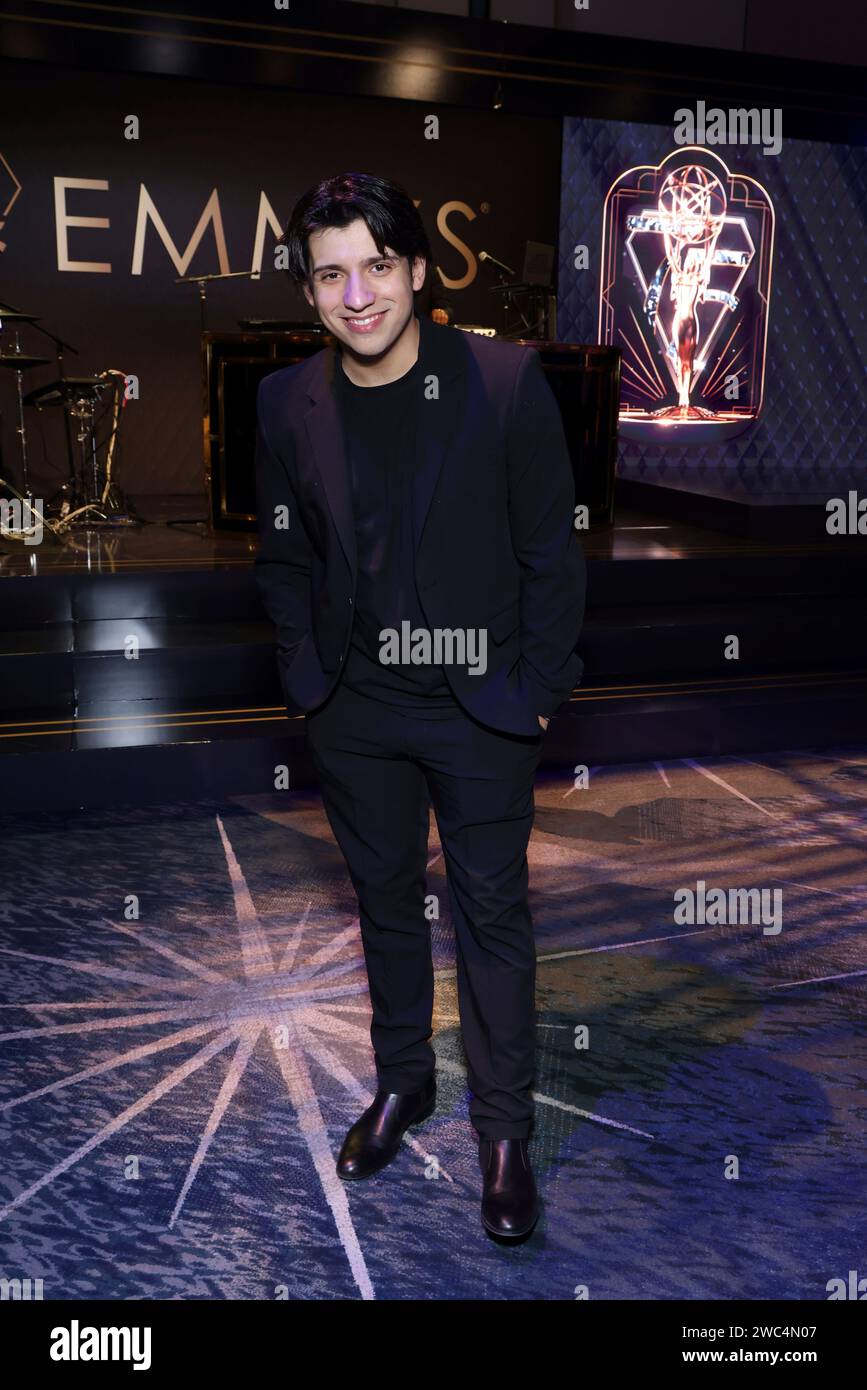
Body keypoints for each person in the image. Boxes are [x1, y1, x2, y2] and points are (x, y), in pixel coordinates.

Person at [254, 171, 586, 1240]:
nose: (357, 295)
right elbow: (281, 554)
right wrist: (308, 675)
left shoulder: (501, 381)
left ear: (416, 271)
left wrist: (535, 697)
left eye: (376, 267)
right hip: (355, 709)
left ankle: (502, 1134)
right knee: (385, 903)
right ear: (309, 291)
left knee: (492, 920)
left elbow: (552, 553)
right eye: (331, 275)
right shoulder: (284, 401)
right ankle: (406, 1083)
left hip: (480, 707)